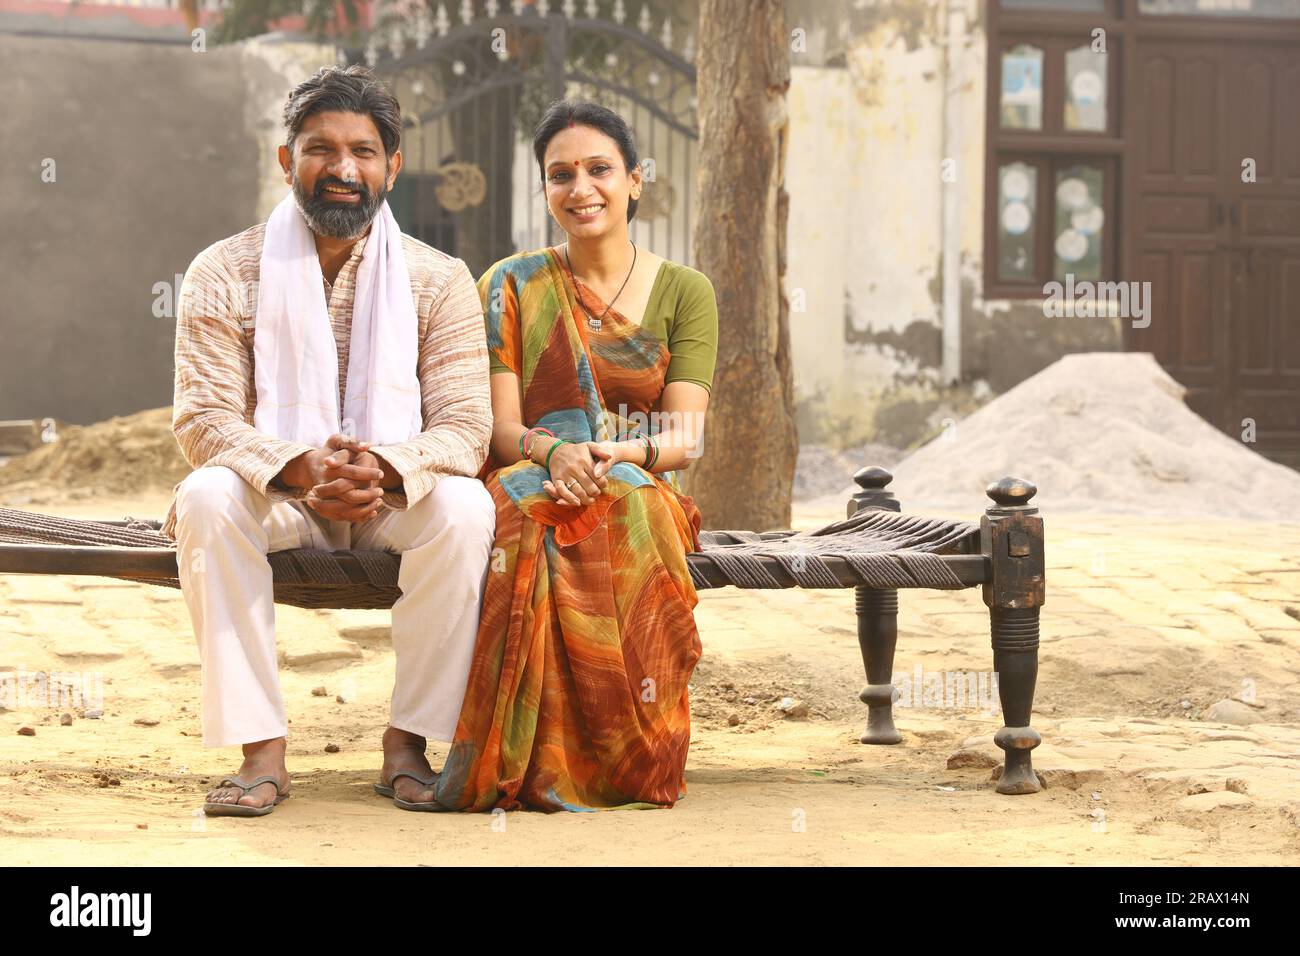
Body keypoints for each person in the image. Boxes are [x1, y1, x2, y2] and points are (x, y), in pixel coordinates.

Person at [163, 66, 495, 817]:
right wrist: (299, 467)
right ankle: (261, 753)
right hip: (282, 498)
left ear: (392, 167)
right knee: (208, 497)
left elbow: (466, 426)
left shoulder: (439, 279)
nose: (343, 169)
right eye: (321, 149)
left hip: (388, 499)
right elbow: (204, 419)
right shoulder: (224, 270)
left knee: (467, 509)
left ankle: (408, 743)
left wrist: (382, 467)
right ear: (288, 160)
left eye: (363, 151)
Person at [427, 99, 719, 812]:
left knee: (633, 501)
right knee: (526, 512)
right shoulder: (510, 283)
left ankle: (628, 750)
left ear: (635, 180)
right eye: (561, 175)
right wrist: (556, 453)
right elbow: (498, 429)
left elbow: (684, 438)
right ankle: (532, 757)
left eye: (599, 170)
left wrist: (612, 452)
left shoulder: (686, 292)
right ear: (545, 190)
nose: (581, 188)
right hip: (530, 470)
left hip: (636, 474)